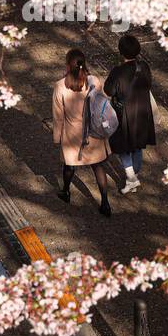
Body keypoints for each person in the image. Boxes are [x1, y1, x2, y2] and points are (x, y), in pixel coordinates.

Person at [52, 47, 112, 216]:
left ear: (67, 66)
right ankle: (105, 202)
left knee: (69, 165)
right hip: (93, 132)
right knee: (98, 166)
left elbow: (58, 116)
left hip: (72, 134)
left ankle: (66, 191)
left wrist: (57, 137)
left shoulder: (60, 87)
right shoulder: (94, 81)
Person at [103, 33, 156, 193]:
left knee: (123, 148)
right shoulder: (144, 67)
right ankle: (133, 176)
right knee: (137, 146)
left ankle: (132, 178)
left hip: (124, 115)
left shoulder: (118, 72)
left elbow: (108, 91)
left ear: (121, 52)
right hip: (142, 112)